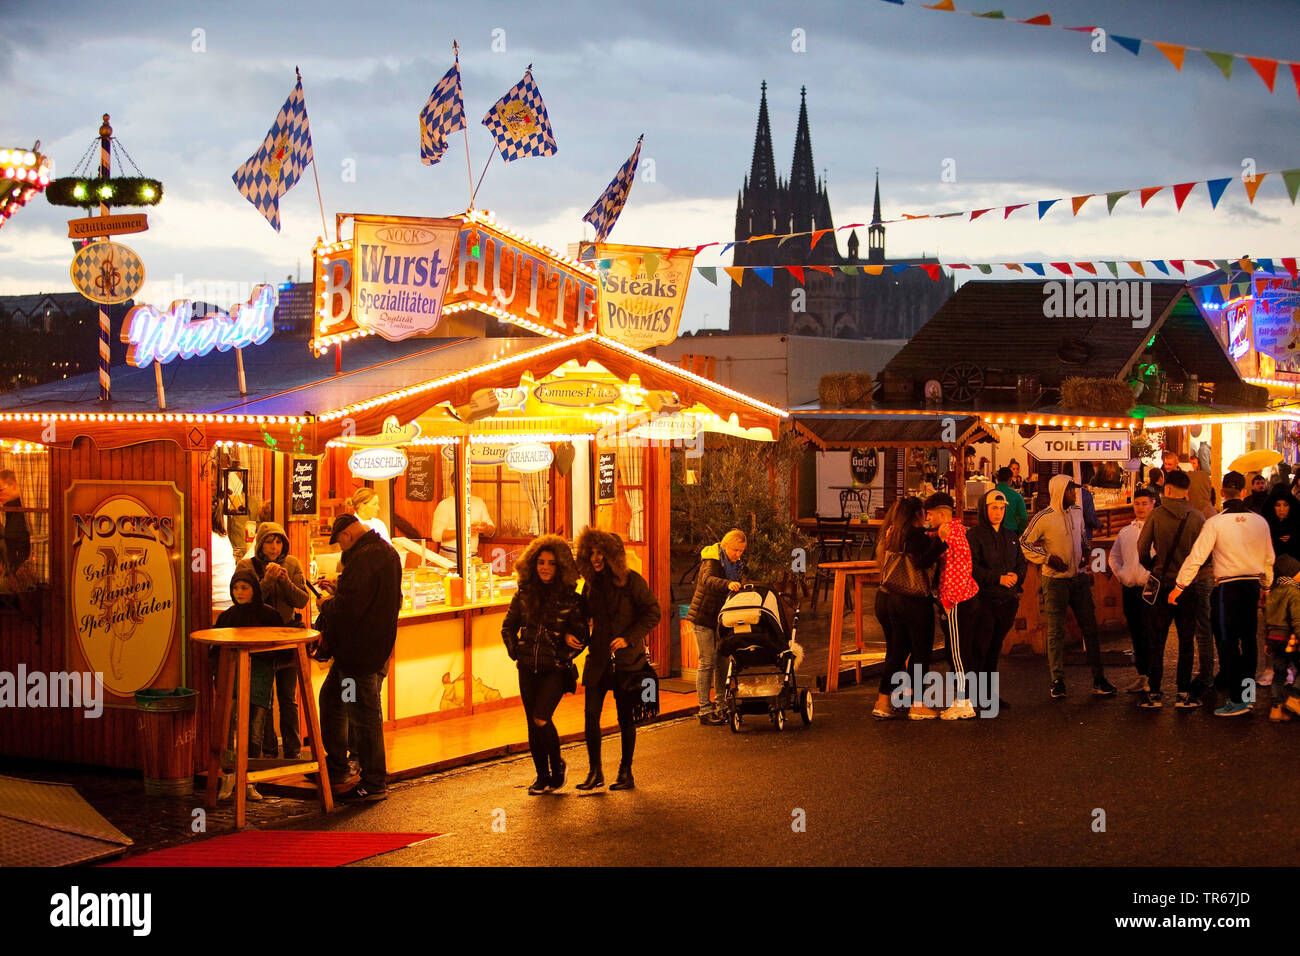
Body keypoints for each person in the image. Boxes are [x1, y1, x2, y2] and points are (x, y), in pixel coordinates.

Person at [1170, 471, 1274, 717]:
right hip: (1252, 586)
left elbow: (1197, 556)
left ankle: (1237, 700)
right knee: (1249, 643)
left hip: (1227, 588)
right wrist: (1266, 588)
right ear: (1244, 491)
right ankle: (1247, 697)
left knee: (1227, 644)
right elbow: (1269, 558)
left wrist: (1179, 587)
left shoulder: (1216, 522)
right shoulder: (1260, 522)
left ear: (1223, 491)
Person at [315, 513, 403, 802]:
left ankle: (373, 782)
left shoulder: (363, 557)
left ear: (347, 535)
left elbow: (349, 609)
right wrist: (340, 589)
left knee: (363, 715)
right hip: (370, 649)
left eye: (339, 541)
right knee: (336, 702)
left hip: (358, 654)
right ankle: (339, 767)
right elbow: (371, 598)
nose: (341, 548)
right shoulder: (386, 552)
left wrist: (327, 603)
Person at [574, 528, 661, 791]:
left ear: (613, 555)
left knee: (625, 718)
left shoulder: (632, 581)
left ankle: (626, 771)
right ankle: (595, 771)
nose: (596, 558)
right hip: (599, 658)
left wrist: (629, 638)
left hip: (626, 660)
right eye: (592, 553)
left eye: (601, 553)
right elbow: (583, 615)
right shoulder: (591, 585)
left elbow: (652, 612)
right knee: (590, 716)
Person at [501, 535, 587, 794]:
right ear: (533, 564)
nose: (545, 567)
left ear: (560, 566)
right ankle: (542, 776)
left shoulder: (571, 599)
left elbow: (582, 637)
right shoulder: (524, 594)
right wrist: (516, 652)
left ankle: (557, 766)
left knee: (541, 718)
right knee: (532, 723)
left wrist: (564, 651)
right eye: (541, 562)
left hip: (555, 670)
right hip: (527, 668)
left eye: (551, 563)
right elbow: (508, 627)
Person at [1021, 474, 1117, 698]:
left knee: (1090, 629)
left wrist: (1084, 551)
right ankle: (1057, 680)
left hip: (1079, 578)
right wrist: (1047, 557)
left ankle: (1099, 678)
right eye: (1070, 490)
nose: (1074, 494)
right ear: (1059, 492)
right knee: (1056, 631)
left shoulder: (1076, 513)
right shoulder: (1043, 517)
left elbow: (1082, 536)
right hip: (1055, 581)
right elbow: (1025, 542)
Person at [237, 521, 310, 760]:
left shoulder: (293, 563)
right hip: (260, 642)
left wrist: (284, 581)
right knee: (263, 698)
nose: (274, 547)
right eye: (269, 541)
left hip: (287, 640)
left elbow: (301, 600)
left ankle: (293, 750)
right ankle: (267, 751)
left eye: (279, 542)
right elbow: (244, 603)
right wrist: (267, 581)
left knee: (288, 698)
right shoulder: (246, 565)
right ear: (260, 543)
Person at [212, 567, 281, 802]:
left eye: (244, 587)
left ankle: (250, 780)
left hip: (259, 681)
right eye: (236, 588)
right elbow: (215, 650)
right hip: (231, 681)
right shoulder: (227, 617)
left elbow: (277, 647)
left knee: (255, 731)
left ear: (254, 589)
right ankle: (230, 776)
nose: (239, 592)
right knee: (229, 730)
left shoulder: (268, 615)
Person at [872, 497, 940, 720]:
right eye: (923, 513)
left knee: (898, 651)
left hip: (892, 598)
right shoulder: (914, 535)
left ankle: (883, 701)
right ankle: (918, 704)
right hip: (914, 600)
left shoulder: (892, 533)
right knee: (921, 652)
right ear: (917, 514)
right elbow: (922, 561)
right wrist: (941, 542)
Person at [916, 492, 980, 719]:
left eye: (931, 515)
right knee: (964, 651)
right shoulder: (960, 530)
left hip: (956, 601)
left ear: (943, 515)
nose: (928, 520)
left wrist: (947, 602)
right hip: (968, 598)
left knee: (957, 653)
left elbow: (954, 572)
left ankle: (963, 702)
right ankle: (965, 699)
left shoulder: (949, 536)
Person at [968, 489, 1026, 714]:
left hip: (1007, 601)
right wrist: (997, 578)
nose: (999, 513)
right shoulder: (975, 536)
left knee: (994, 649)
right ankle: (975, 696)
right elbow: (973, 567)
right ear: (985, 508)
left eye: (1002, 509)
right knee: (980, 649)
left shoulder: (1010, 536)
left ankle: (989, 694)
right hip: (984, 600)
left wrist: (1015, 578)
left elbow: (1021, 563)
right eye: (994, 508)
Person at [685, 529, 747, 725]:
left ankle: (721, 704)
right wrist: (728, 584)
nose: (738, 555)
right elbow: (707, 580)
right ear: (725, 546)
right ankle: (704, 709)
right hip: (703, 617)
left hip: (721, 618)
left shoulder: (736, 565)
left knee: (722, 660)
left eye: (741, 551)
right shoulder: (711, 559)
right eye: (736, 550)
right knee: (707, 661)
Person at [1110, 488, 1155, 696]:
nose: (1140, 508)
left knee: (1151, 632)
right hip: (1130, 588)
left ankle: (1153, 677)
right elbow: (1114, 556)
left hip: (1150, 589)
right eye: (1137, 503)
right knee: (1136, 632)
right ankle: (1142, 674)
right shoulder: (1125, 532)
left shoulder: (1157, 530)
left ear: (1153, 504)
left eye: (1144, 503)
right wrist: (1122, 575)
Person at [1263, 553, 1300, 722]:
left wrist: (1266, 641)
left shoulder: (1274, 592)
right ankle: (1294, 697)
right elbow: (1297, 619)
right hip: (1289, 639)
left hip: (1274, 639)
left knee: (1279, 674)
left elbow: (1267, 619)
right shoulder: (1294, 592)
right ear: (1291, 573)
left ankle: (1276, 709)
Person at [430, 490, 495, 564]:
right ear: (453, 483)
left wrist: (486, 529)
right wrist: (463, 531)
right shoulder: (445, 504)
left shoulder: (479, 502)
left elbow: (492, 530)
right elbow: (436, 535)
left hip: (473, 557)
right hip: (449, 556)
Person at [0, 469, 31, 581]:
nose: (0, 494)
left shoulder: (24, 508)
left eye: (1, 490)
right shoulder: (8, 508)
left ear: (13, 486)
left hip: (20, 572)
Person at [210, 498, 236, 617]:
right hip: (229, 597)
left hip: (215, 599)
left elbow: (197, 570)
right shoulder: (223, 538)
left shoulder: (204, 539)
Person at [1265, 485, 1300, 564]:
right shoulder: (1265, 525)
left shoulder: (1297, 524)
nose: (1281, 509)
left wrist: (1294, 538)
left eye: (1285, 505)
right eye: (1278, 505)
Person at [992, 466, 1028, 536]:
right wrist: (1019, 532)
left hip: (992, 533)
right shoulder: (1017, 496)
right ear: (1010, 479)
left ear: (997, 479)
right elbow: (1023, 518)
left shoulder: (988, 495)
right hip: (1011, 533)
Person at [1186, 455, 1217, 519]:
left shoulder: (1203, 476)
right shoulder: (1186, 476)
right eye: (1190, 463)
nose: (1191, 465)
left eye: (1194, 463)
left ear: (1198, 465)